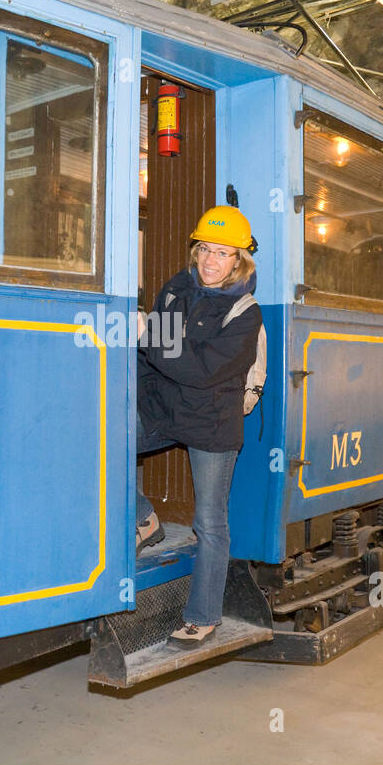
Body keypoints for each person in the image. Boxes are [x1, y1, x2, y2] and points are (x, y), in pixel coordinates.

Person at [134, 206, 262, 647]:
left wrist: (148, 337)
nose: (210, 261)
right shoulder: (176, 288)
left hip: (211, 420)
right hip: (165, 408)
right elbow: (157, 359)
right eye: (205, 249)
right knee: (98, 444)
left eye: (223, 253)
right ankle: (144, 520)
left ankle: (203, 616)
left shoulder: (246, 313)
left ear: (239, 261)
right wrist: (135, 395)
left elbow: (200, 370)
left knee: (210, 522)